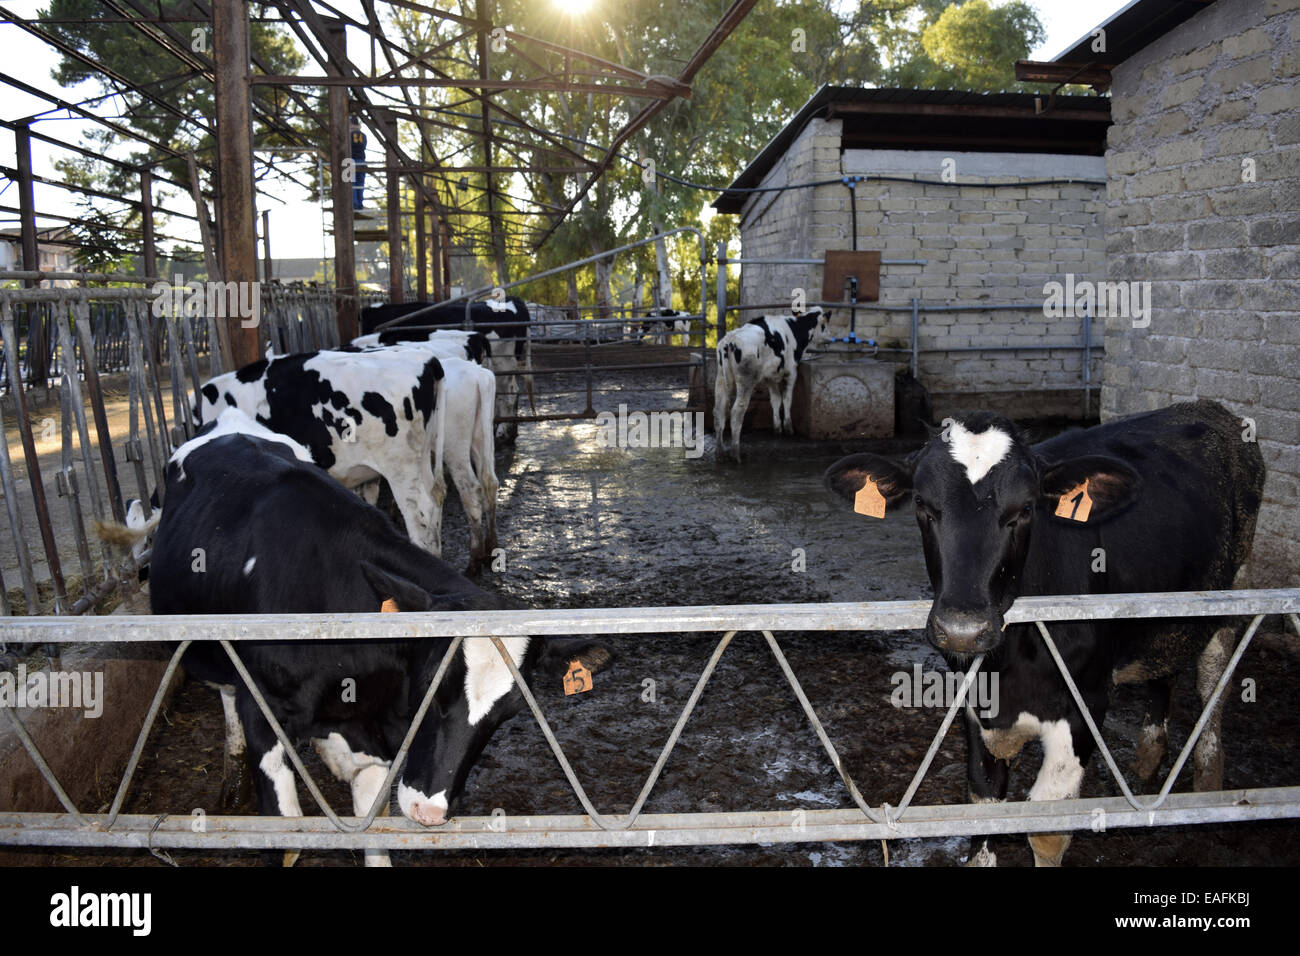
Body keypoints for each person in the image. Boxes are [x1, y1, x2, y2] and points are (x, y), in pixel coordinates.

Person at [350, 117, 367, 210]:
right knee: (360, 184)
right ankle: (360, 204)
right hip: (362, 161)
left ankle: (354, 205)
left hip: (350, 161)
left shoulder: (348, 135)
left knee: (350, 184)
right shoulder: (363, 135)